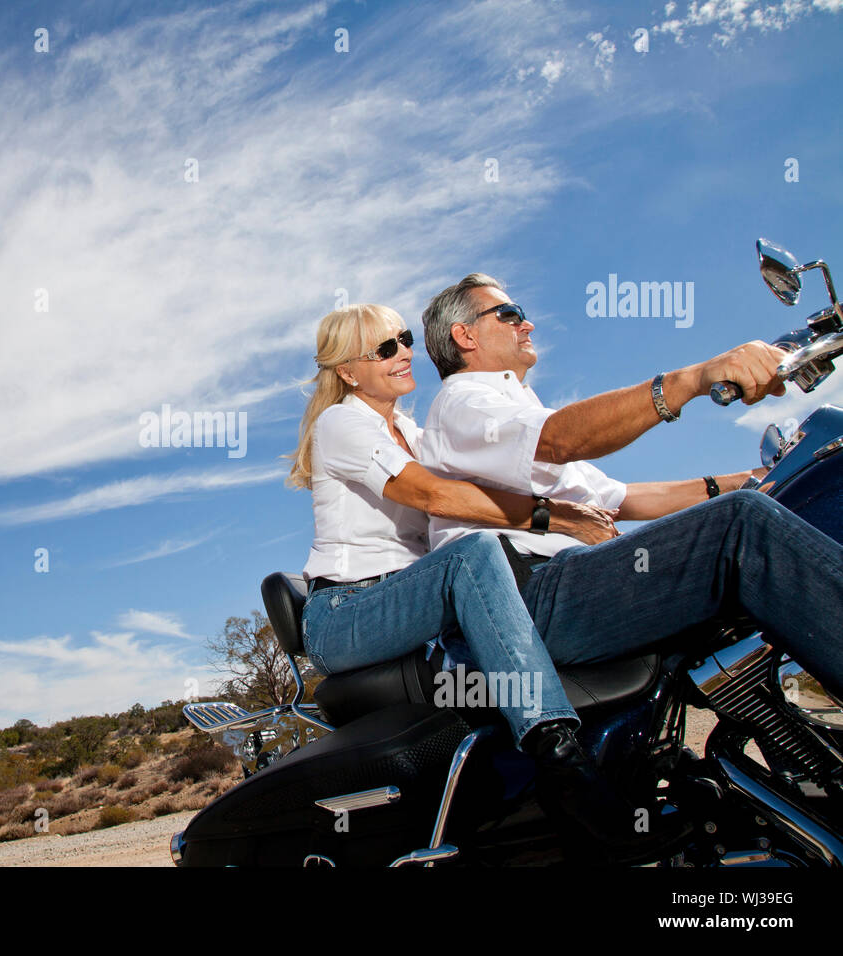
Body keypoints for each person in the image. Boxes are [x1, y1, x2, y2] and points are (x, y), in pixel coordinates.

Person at [287, 303, 672, 858]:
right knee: (474, 554)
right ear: (348, 371)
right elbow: (435, 497)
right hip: (348, 611)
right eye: (384, 348)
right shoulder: (342, 422)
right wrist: (554, 517)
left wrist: (565, 508)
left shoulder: (416, 435)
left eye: (402, 339)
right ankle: (562, 764)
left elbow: (482, 497)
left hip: (413, 606)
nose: (403, 353)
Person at [416, 273, 843, 704]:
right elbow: (561, 439)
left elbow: (626, 499)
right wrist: (693, 380)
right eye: (510, 314)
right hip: (520, 600)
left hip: (564, 580)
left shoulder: (515, 406)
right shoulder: (464, 400)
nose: (527, 324)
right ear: (465, 335)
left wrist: (765, 472)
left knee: (765, 502)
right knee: (741, 524)